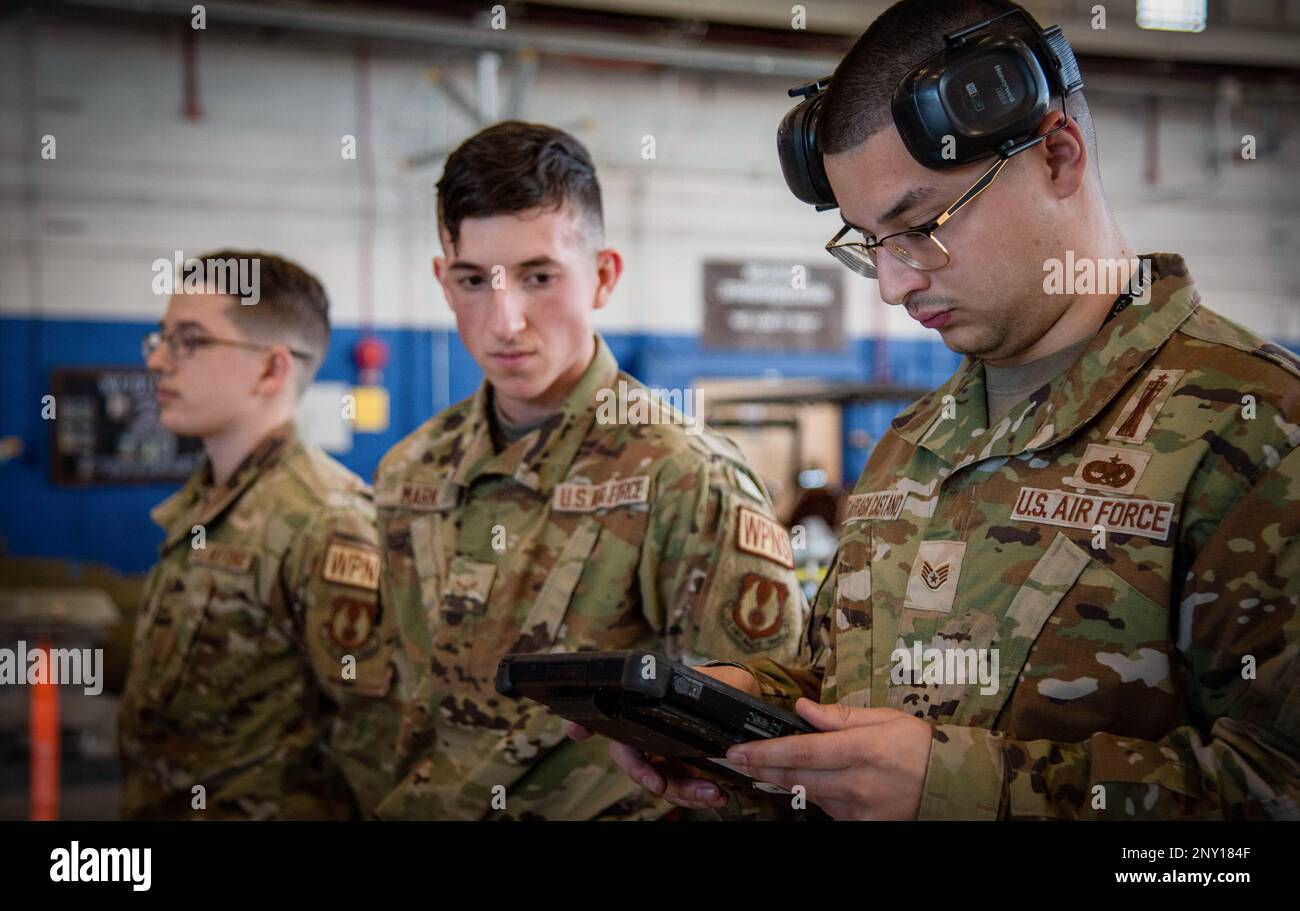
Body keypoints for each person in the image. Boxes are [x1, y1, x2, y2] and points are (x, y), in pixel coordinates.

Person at [579, 0, 1300, 820]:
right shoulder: (912, 446)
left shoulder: (1256, 428)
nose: (893, 284)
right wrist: (749, 708)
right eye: (868, 243)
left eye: (921, 226)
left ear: (1059, 157)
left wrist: (957, 789)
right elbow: (852, 690)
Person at [372, 122, 806, 820]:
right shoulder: (409, 471)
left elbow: (762, 743)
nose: (505, 319)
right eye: (474, 280)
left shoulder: (683, 476)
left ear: (603, 276)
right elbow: (396, 702)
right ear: (441, 281)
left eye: (539, 276)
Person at [119, 250, 402, 819]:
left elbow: (377, 746)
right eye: (163, 337)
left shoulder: (325, 523)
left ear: (272, 369)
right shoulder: (205, 504)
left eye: (191, 341)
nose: (159, 361)